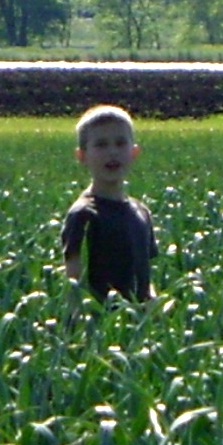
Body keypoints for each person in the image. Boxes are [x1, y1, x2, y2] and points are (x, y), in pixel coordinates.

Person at [61, 104, 154, 301]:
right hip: (100, 317)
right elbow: (74, 284)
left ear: (134, 152)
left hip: (137, 318)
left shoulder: (141, 213)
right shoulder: (83, 215)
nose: (112, 152)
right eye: (101, 145)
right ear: (82, 156)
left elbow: (145, 278)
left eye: (120, 143)